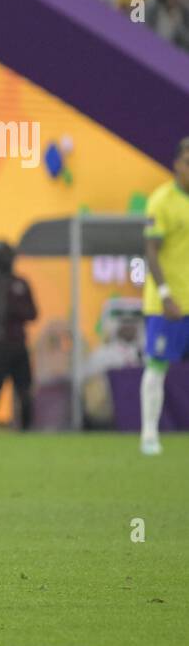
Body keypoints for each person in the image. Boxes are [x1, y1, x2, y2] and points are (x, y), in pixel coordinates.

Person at [139, 138, 189, 455]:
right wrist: (167, 294)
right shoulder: (161, 200)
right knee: (157, 366)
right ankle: (148, 434)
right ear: (176, 164)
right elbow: (150, 252)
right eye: (188, 159)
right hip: (166, 305)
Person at [0, 242, 37, 431]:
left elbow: (33, 313)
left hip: (17, 344)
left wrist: (14, 308)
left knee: (24, 389)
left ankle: (27, 425)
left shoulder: (20, 283)